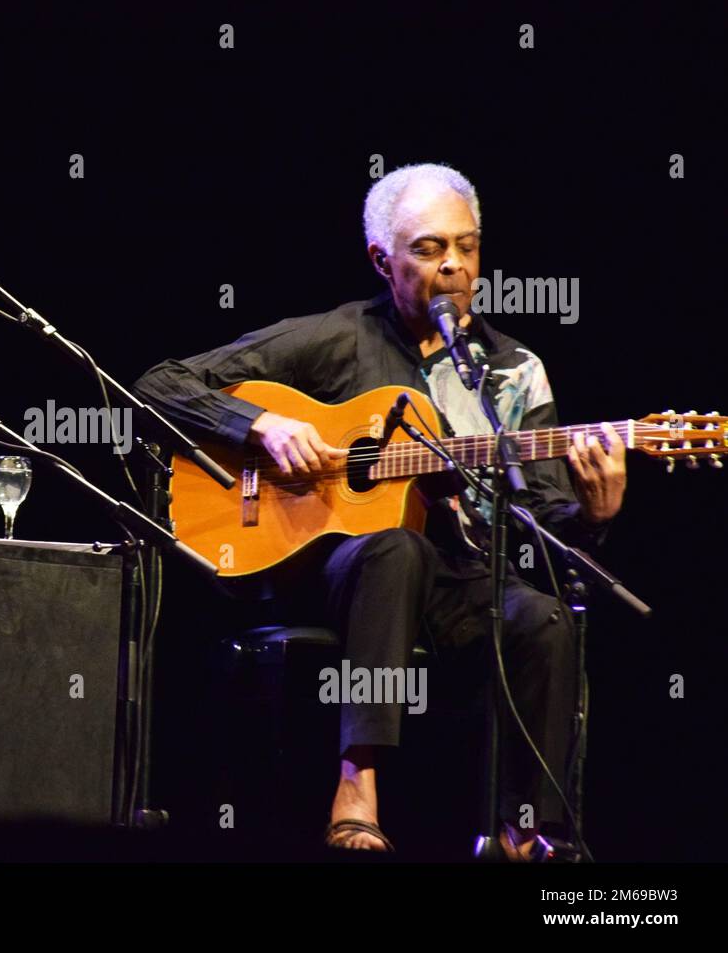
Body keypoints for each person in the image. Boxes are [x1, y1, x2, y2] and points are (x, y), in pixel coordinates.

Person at [134, 164, 625, 858]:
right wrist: (261, 426)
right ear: (382, 260)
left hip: (456, 577)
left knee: (543, 619)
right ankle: (356, 785)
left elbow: (541, 521)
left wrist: (593, 516)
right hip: (333, 568)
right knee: (396, 547)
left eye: (466, 246)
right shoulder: (338, 337)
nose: (453, 264)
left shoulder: (514, 371)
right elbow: (159, 385)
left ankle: (527, 831)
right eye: (428, 248)